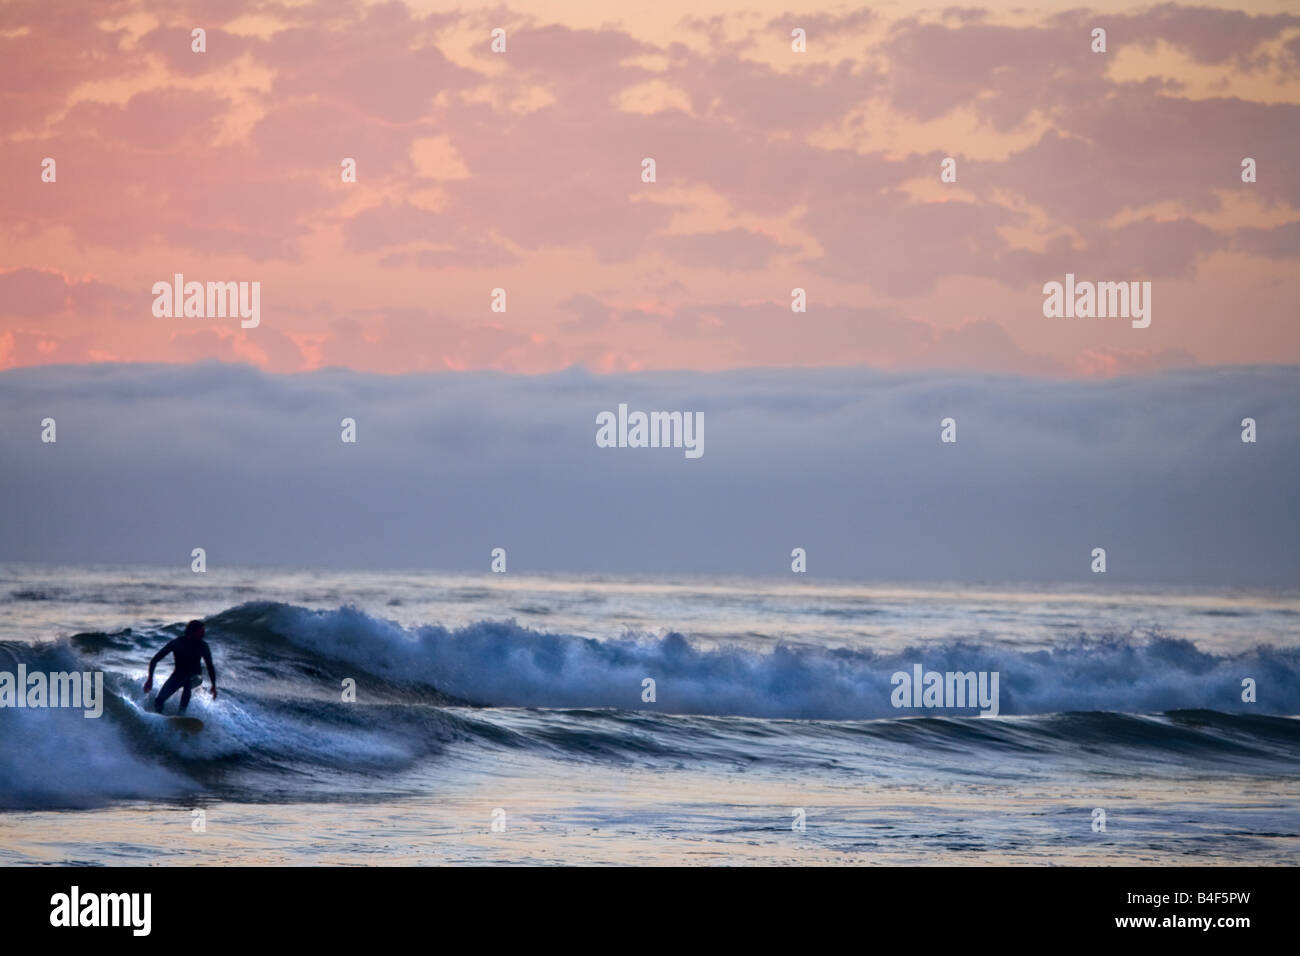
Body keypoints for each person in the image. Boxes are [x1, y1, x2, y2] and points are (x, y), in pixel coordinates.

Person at [144, 620, 217, 714]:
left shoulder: (203, 646)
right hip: (178, 676)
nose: (203, 634)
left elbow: (210, 666)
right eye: (201, 631)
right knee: (159, 700)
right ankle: (160, 718)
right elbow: (155, 660)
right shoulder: (177, 643)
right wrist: (150, 679)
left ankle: (181, 713)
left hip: (196, 677)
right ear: (192, 632)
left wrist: (213, 686)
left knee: (187, 681)